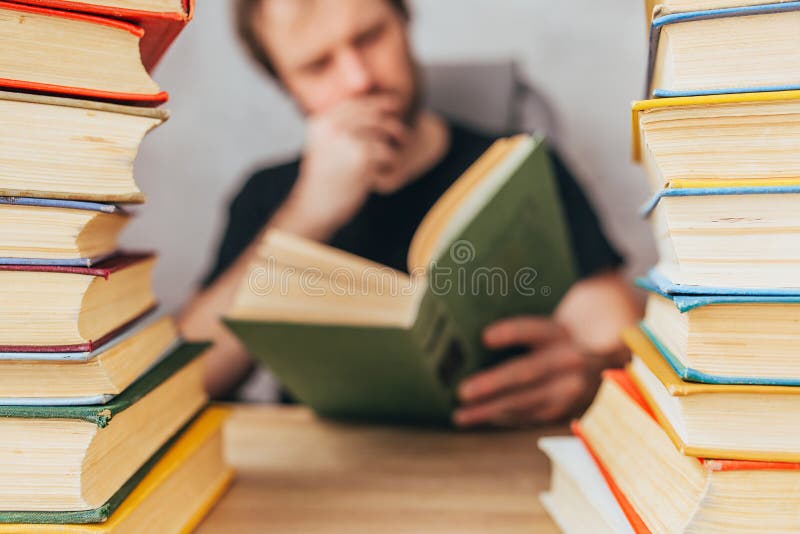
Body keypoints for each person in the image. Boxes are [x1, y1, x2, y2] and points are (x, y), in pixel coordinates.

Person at [179, 0, 642, 427]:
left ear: (404, 21)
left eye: (370, 37)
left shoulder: (517, 166)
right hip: (320, 478)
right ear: (287, 86)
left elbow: (618, 346)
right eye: (318, 66)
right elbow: (189, 380)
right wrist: (307, 213)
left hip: (489, 461)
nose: (359, 78)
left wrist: (586, 374)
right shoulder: (268, 196)